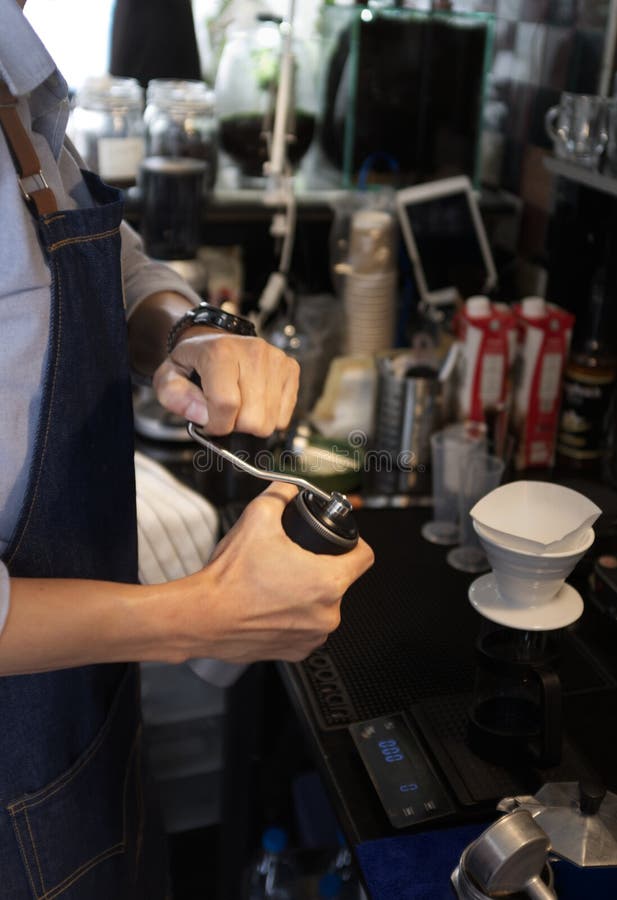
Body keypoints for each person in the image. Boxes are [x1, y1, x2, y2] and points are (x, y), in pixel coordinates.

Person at [0, 3, 374, 898]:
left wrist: (188, 333)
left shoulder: (15, 59)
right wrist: (193, 617)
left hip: (80, 702)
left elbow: (92, 245)